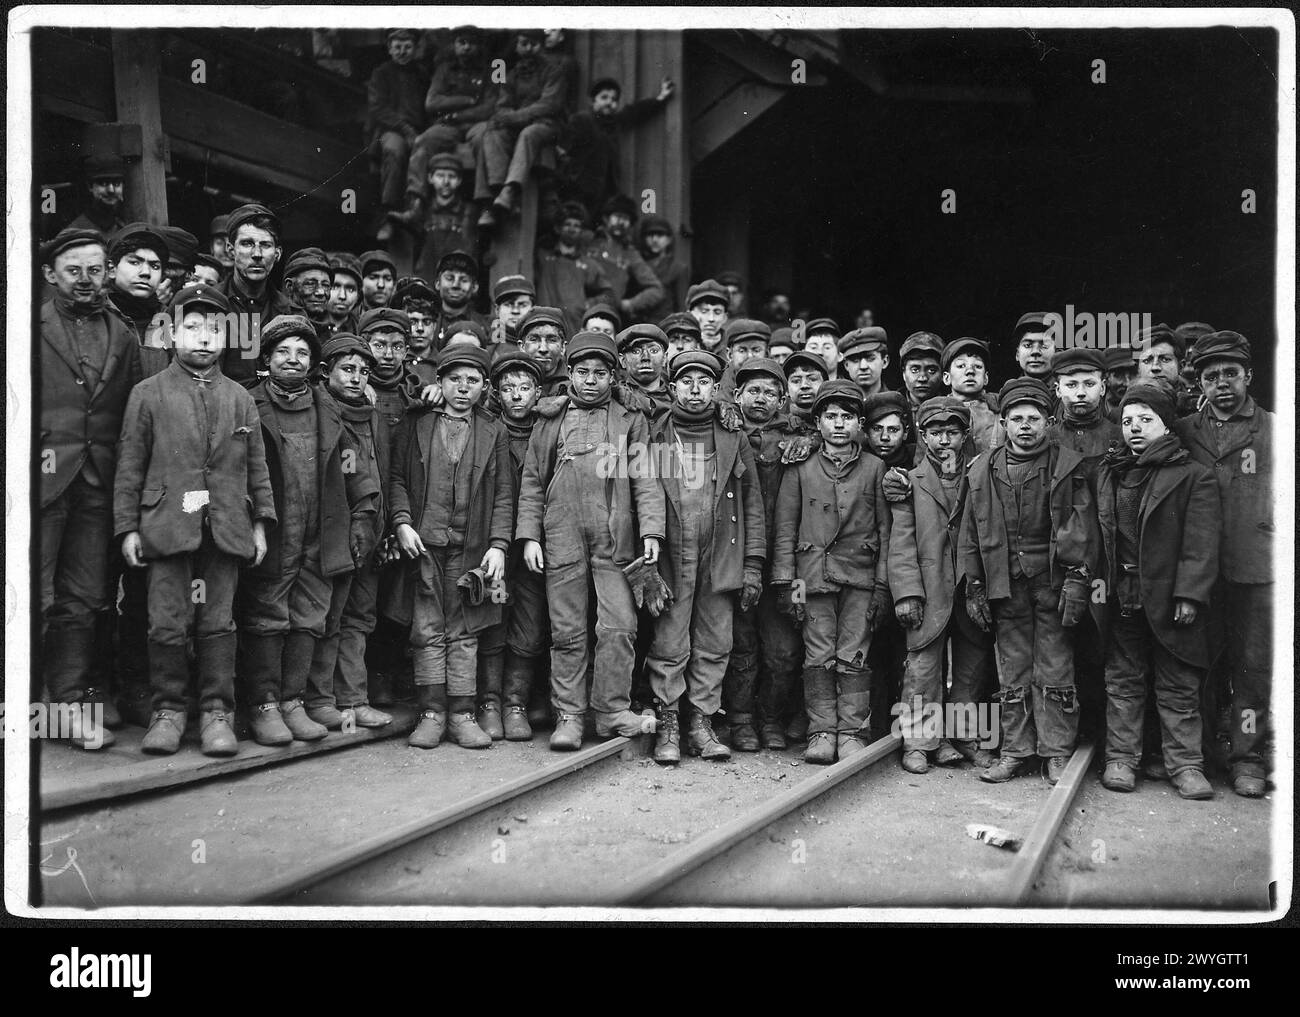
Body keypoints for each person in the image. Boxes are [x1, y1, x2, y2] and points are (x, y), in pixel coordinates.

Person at [113, 285, 276, 756]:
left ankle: (216, 713)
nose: (203, 338)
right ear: (170, 333)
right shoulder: (147, 394)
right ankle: (168, 711)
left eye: (214, 329)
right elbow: (130, 465)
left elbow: (257, 468)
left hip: (224, 526)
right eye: (192, 327)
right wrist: (128, 527)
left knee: (218, 622)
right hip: (167, 525)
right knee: (167, 622)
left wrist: (260, 524)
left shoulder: (241, 398)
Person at [514, 331, 666, 750]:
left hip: (614, 538)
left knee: (619, 625)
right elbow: (531, 482)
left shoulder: (629, 419)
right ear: (569, 373)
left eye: (600, 373)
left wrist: (651, 530)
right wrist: (529, 537)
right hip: (561, 533)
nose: (591, 380)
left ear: (613, 376)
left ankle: (612, 710)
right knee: (567, 631)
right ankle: (569, 716)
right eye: (582, 372)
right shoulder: (549, 419)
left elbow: (646, 479)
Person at [240, 316, 380, 746]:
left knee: (310, 616)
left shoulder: (328, 408)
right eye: (283, 351)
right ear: (266, 359)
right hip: (275, 527)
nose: (293, 360)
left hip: (321, 529)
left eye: (302, 352)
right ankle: (262, 705)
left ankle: (292, 702)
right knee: (268, 614)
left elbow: (351, 465)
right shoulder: (247, 403)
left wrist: (362, 512)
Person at [958, 377, 1098, 785]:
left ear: (1048, 421)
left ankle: (1056, 752)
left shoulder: (1067, 465)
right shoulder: (984, 468)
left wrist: (1076, 581)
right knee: (1012, 669)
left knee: (1055, 666)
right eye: (1015, 419)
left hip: (1051, 583)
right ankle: (1016, 751)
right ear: (1003, 422)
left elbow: (1082, 527)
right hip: (1007, 585)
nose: (1024, 426)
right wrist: (977, 586)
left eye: (1033, 419)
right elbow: (971, 531)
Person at [39, 227, 141, 749]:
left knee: (83, 598)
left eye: (95, 270)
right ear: (50, 275)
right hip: (36, 483)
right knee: (30, 594)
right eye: (73, 270)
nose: (86, 280)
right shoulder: (27, 325)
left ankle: (68, 703)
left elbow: (130, 414)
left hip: (98, 482)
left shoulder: (122, 334)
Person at [1096, 383, 1220, 799]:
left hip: (1170, 597)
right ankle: (1121, 758)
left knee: (1178, 681)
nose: (1134, 428)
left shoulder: (1192, 476)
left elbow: (1200, 543)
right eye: (1128, 421)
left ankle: (1185, 765)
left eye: (1145, 420)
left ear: (1167, 425)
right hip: (1123, 593)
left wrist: (1189, 594)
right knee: (1124, 678)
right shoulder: (1112, 473)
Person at [389, 344, 513, 749]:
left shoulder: (494, 430)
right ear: (438, 382)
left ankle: (461, 713)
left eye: (473, 381)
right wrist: (402, 523)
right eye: (454, 379)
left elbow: (503, 496)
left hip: (472, 548)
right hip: (424, 545)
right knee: (427, 628)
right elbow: (397, 480)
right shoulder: (415, 424)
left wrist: (497, 545)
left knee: (466, 629)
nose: (463, 388)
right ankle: (431, 713)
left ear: (485, 387)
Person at [643, 351, 764, 764]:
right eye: (686, 381)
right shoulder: (655, 433)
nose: (695, 390)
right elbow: (640, 500)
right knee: (670, 639)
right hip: (673, 557)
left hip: (721, 555)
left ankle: (701, 720)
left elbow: (752, 505)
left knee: (716, 641)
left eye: (704, 382)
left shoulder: (734, 436)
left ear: (717, 388)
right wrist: (646, 565)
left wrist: (752, 565)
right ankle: (669, 721)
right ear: (672, 386)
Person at [1174, 332, 1274, 798]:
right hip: (1199, 571)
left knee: (1251, 667)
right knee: (1200, 664)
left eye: (1230, 374)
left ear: (1248, 376)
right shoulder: (1183, 431)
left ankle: (1247, 756)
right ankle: (1206, 752)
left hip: (1256, 568)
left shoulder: (1274, 429)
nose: (1222, 385)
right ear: (1200, 384)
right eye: (1211, 377)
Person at [772, 380, 891, 765]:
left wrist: (882, 588)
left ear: (860, 424)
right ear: (818, 422)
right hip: (810, 577)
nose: (839, 425)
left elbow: (886, 532)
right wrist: (789, 591)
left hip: (861, 575)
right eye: (831, 417)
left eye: (848, 418)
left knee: (853, 654)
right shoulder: (800, 467)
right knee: (817, 653)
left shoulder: (875, 467)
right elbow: (785, 529)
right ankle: (821, 731)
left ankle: (853, 731)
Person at [889, 397, 995, 773]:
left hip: (971, 590)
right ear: (923, 435)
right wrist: (906, 594)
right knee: (922, 668)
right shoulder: (909, 481)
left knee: (972, 668)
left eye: (952, 433)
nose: (944, 441)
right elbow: (900, 544)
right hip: (929, 591)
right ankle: (918, 742)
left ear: (966, 434)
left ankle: (965, 737)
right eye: (936, 433)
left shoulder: (982, 475)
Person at [304, 334, 395, 731]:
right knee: (329, 616)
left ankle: (354, 699)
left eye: (363, 371)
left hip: (370, 531)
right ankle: (320, 698)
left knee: (360, 616)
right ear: (326, 372)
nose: (357, 378)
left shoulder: (371, 416)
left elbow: (381, 475)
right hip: (335, 532)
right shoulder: (321, 413)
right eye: (347, 369)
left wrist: (383, 525)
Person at [723, 356, 807, 750]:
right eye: (753, 391)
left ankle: (772, 718)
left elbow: (842, 440)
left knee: (783, 651)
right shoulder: (723, 430)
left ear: (783, 398)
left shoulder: (798, 438)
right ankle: (740, 721)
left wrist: (807, 440)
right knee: (741, 647)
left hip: (787, 565)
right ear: (737, 395)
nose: (761, 399)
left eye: (770, 392)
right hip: (735, 560)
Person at [487, 348, 550, 740]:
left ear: (538, 392)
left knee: (529, 626)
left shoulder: (549, 429)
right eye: (508, 388)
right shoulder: (485, 428)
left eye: (524, 387)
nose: (516, 396)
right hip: (493, 547)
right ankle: (490, 703)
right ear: (495, 393)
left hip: (533, 548)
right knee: (493, 621)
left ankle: (516, 704)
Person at [390, 26, 493, 233]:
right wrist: (467, 100)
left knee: (485, 139)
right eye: (461, 42)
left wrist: (457, 112)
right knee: (423, 142)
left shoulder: (492, 70)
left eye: (471, 43)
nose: (466, 47)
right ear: (454, 45)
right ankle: (416, 205)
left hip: (475, 124)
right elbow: (432, 102)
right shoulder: (444, 69)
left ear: (478, 46)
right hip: (448, 126)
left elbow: (491, 106)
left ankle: (485, 206)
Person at [474, 30, 568, 230]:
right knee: (490, 133)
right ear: (516, 46)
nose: (527, 49)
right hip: (518, 125)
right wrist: (509, 117)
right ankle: (491, 200)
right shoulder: (512, 74)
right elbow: (502, 106)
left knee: (529, 134)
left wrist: (514, 117)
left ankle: (510, 191)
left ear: (540, 46)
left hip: (546, 126)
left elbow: (548, 105)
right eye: (523, 43)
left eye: (532, 44)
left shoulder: (554, 71)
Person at [560, 74, 675, 217]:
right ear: (593, 101)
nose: (609, 102)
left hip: (604, 195)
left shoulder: (614, 123)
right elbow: (563, 151)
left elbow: (636, 111)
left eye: (614, 99)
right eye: (604, 97)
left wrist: (660, 98)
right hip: (580, 193)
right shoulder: (581, 120)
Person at [219, 203, 301, 387]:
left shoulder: (291, 314)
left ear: (277, 253)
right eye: (247, 243)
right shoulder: (210, 305)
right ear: (231, 249)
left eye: (265, 245)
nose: (257, 254)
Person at [367, 29, 430, 236]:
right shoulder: (381, 73)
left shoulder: (422, 74)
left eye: (407, 47)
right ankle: (389, 214)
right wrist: (405, 128)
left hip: (419, 131)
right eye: (397, 47)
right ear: (389, 48)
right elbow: (377, 109)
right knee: (395, 150)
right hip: (390, 130)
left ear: (415, 48)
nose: (402, 52)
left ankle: (417, 212)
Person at [583, 194, 665, 324]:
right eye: (617, 217)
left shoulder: (630, 253)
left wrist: (628, 304)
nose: (621, 222)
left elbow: (656, 289)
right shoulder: (588, 240)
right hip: (580, 310)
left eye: (625, 219)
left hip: (608, 316)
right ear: (605, 218)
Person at [105, 222, 171, 377]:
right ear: (112, 269)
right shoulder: (96, 316)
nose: (145, 273)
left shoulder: (171, 320)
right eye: (135, 262)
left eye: (155, 266)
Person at [535, 202, 612, 331]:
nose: (572, 229)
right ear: (558, 228)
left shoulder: (588, 264)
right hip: (543, 322)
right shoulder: (543, 256)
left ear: (581, 231)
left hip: (574, 325)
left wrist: (588, 304)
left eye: (576, 226)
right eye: (568, 224)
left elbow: (608, 294)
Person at [410, 154, 479, 285]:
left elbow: (470, 252)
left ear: (459, 180)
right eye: (440, 176)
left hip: (457, 282)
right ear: (430, 178)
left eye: (452, 177)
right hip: (427, 279)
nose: (446, 182)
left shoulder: (469, 211)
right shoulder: (422, 210)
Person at [941, 336, 999, 454]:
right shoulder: (937, 412)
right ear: (947, 378)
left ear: (986, 378)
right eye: (961, 366)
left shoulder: (999, 409)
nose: (970, 371)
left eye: (977, 366)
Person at [427, 249, 488, 350]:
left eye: (464, 280)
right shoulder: (425, 323)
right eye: (449, 278)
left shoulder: (486, 326)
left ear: (474, 287)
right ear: (437, 283)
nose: (455, 285)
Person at [1136, 323, 1199, 416]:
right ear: (1138, 368)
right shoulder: (1123, 413)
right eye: (1147, 360)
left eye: (1165, 359)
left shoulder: (1197, 409)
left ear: (1180, 367)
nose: (1155, 367)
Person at [617, 323, 673, 428]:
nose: (645, 357)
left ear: (665, 358)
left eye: (654, 351)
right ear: (623, 360)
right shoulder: (614, 399)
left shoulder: (678, 401)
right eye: (636, 351)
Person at [638, 215, 689, 323]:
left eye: (660, 235)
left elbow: (681, 307)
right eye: (650, 235)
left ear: (669, 239)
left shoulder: (678, 268)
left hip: (665, 325)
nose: (655, 240)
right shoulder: (638, 265)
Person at [282, 247, 335, 342]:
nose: (321, 292)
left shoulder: (333, 331)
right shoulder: (274, 323)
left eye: (326, 285)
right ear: (289, 286)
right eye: (310, 284)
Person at [516, 305, 571, 396]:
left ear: (563, 348)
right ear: (522, 346)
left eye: (552, 340)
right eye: (534, 339)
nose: (543, 349)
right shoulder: (504, 382)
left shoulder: (575, 386)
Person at [716, 318, 771, 404]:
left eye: (756, 350)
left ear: (767, 354)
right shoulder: (717, 392)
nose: (750, 356)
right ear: (730, 354)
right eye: (742, 351)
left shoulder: (777, 390)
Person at [68, 155, 126, 235]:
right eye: (103, 183)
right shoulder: (76, 232)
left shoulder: (123, 229)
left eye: (116, 183)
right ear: (90, 186)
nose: (111, 190)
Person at [898, 331, 945, 429]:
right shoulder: (892, 407)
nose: (922, 378)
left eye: (932, 370)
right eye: (915, 370)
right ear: (903, 373)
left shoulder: (953, 407)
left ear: (943, 374)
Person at [782, 348, 829, 433]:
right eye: (796, 381)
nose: (804, 386)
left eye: (813, 379)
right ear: (786, 390)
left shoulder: (838, 425)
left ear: (825, 384)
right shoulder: (780, 427)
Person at [839, 326, 891, 396]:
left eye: (870, 358)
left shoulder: (896, 404)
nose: (863, 366)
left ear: (885, 361)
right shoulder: (838, 404)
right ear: (846, 365)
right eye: (855, 360)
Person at [686, 279, 730, 355]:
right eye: (704, 311)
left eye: (717, 312)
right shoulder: (681, 346)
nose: (711, 319)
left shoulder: (733, 347)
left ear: (725, 317)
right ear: (690, 315)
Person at [326, 254, 363, 337]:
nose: (342, 296)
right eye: (335, 287)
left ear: (358, 296)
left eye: (350, 289)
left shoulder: (363, 332)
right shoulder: (308, 328)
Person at [491, 274, 535, 344]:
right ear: (497, 310)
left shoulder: (544, 347)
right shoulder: (488, 349)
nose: (515, 311)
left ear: (532, 309)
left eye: (523, 305)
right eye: (508, 305)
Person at [1012, 311, 1056, 381]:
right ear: (1017, 354)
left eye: (1044, 345)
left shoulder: (1072, 391)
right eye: (1027, 345)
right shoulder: (1007, 391)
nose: (1035, 352)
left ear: (1057, 353)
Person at [1102, 346, 1138, 423]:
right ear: (1106, 379)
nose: (1127, 383)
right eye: (1119, 375)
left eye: (1133, 373)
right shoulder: (1095, 410)